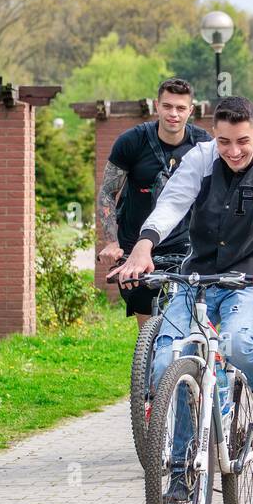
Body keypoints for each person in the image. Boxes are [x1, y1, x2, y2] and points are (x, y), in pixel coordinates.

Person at [112, 97, 253, 501]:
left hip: (248, 280)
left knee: (236, 341)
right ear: (214, 136)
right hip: (195, 279)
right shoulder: (200, 158)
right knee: (169, 362)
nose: (233, 151)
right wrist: (143, 247)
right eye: (224, 141)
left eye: (242, 142)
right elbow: (173, 204)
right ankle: (180, 470)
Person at [97, 78, 212, 329]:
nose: (174, 114)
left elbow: (214, 197)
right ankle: (151, 365)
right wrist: (111, 241)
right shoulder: (131, 141)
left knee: (194, 317)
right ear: (156, 106)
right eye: (167, 106)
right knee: (148, 326)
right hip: (135, 245)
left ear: (190, 111)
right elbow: (107, 192)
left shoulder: (203, 145)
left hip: (183, 243)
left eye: (181, 108)